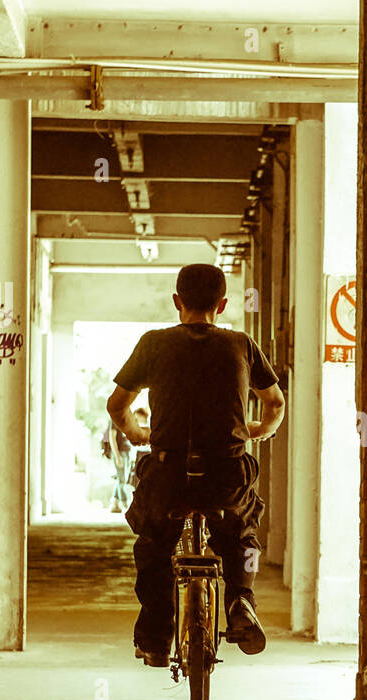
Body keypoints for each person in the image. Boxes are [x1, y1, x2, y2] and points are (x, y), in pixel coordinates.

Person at [106, 264, 285, 667]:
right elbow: (275, 403)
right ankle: (241, 598)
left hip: (168, 472)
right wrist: (259, 430)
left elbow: (117, 406)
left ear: (177, 302)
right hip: (226, 472)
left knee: (154, 546)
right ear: (222, 305)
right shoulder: (241, 344)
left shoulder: (153, 343)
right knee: (242, 535)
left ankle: (155, 638)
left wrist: (138, 433)